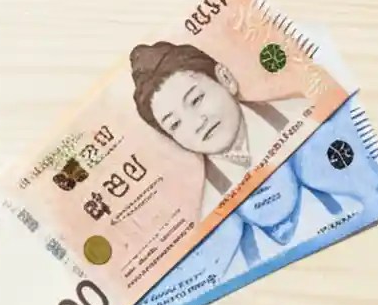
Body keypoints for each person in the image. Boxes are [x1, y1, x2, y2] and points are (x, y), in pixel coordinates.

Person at [130, 41, 309, 211]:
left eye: (196, 100)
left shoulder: (305, 112)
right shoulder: (212, 209)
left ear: (225, 79)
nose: (197, 123)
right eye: (175, 124)